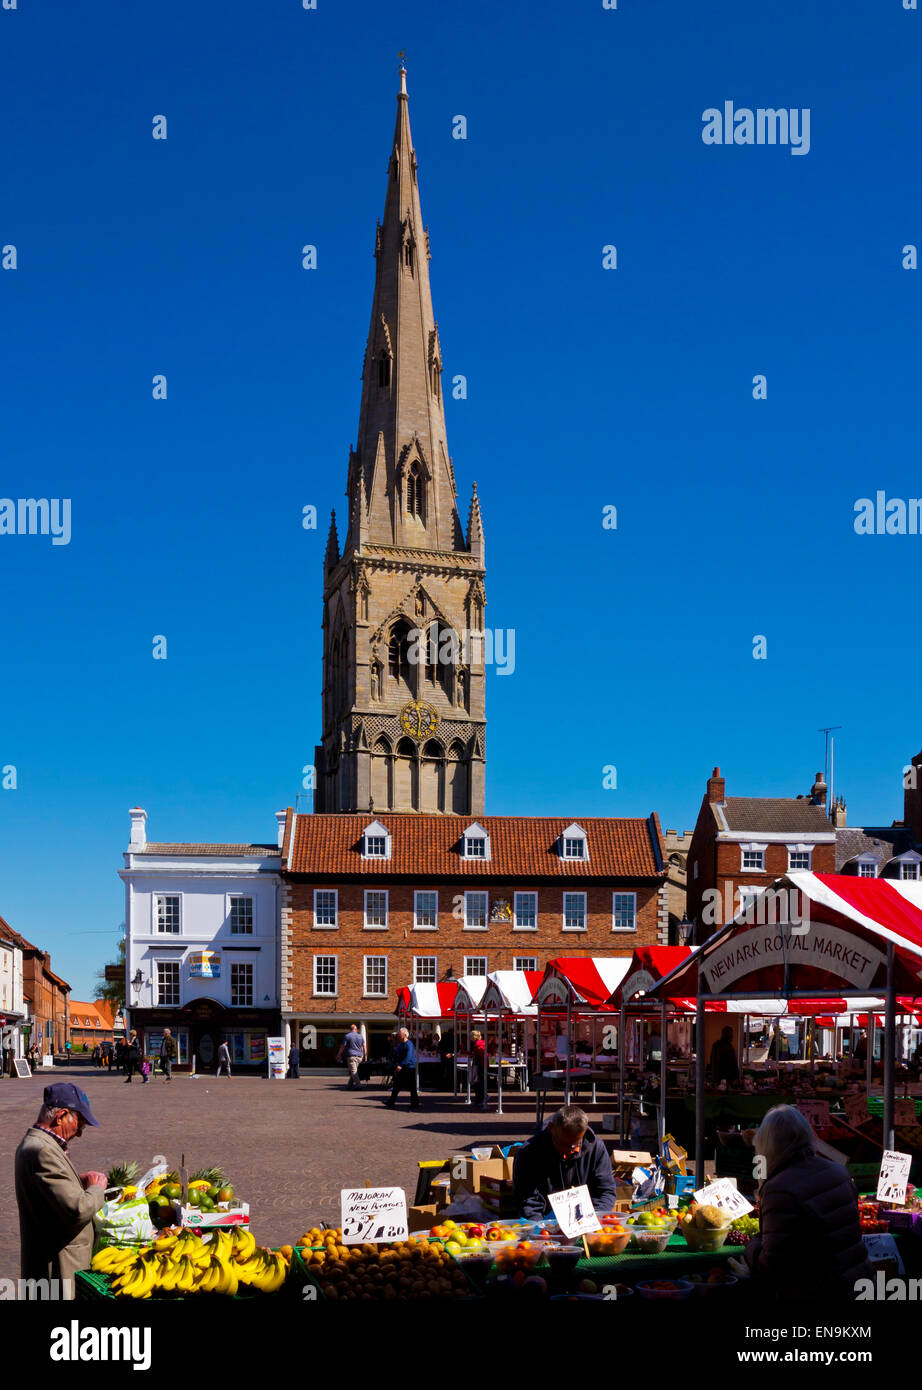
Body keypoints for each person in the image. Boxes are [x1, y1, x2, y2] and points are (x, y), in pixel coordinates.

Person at [740, 1105, 873, 1301]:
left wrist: (752, 1245)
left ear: (767, 1145)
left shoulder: (780, 1188)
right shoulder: (838, 1172)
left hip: (818, 1292)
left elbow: (773, 1263)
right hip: (858, 1285)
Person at [14, 1082, 108, 1298]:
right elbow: (76, 1209)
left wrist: (76, 1181)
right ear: (61, 1116)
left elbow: (51, 1192)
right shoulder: (41, 1150)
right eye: (80, 1123)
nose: (80, 1133)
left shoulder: (44, 1145)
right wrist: (96, 1189)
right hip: (58, 1269)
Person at [512, 1106, 616, 1220]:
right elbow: (527, 1200)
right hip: (544, 1222)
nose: (569, 1151)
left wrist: (594, 1219)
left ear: (583, 1133)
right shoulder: (529, 1153)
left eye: (575, 1147)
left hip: (585, 1219)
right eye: (563, 1144)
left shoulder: (596, 1148)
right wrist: (540, 1228)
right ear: (550, 1129)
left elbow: (605, 1190)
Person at [385, 1027, 419, 1110]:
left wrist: (401, 1065)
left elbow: (409, 1057)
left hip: (409, 1068)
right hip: (403, 1067)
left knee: (412, 1086)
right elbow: (397, 1053)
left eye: (399, 1034)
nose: (398, 1035)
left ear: (404, 1035)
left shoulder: (409, 1044)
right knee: (397, 1085)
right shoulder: (401, 1044)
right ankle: (391, 1101)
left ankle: (415, 1103)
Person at [337, 1024, 367, 1090]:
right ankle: (349, 1086)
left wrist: (339, 1055)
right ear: (356, 1029)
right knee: (354, 1071)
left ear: (350, 1029)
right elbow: (364, 1047)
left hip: (351, 1056)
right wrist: (365, 1056)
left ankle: (358, 1085)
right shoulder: (360, 1036)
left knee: (353, 1071)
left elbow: (343, 1047)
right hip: (359, 1056)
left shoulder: (347, 1036)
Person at [470, 1030, 487, 1108]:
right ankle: (478, 1099)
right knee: (477, 1083)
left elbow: (480, 1055)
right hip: (479, 1065)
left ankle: (481, 1098)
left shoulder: (478, 1044)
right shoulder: (479, 1044)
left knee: (478, 1083)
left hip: (479, 1065)